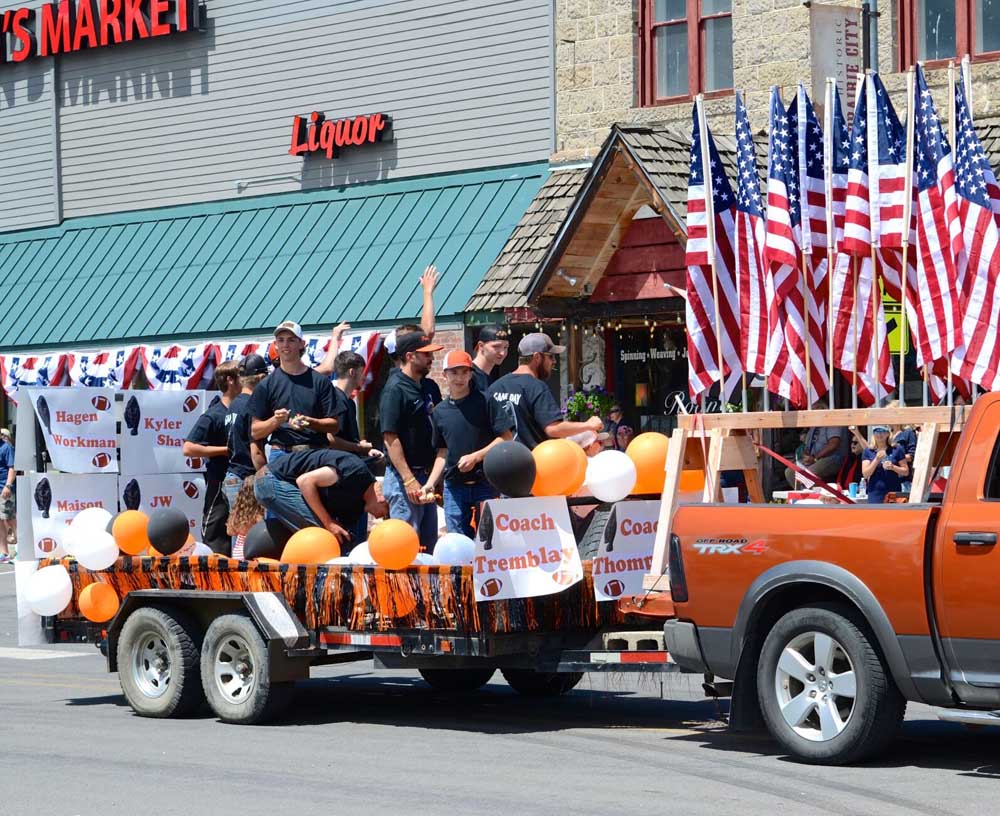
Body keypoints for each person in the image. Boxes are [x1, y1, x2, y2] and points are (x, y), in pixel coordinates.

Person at [423, 350, 514, 537]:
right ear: (445, 375)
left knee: (490, 539)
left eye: (465, 372)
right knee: (457, 540)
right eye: (454, 372)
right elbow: (442, 452)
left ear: (471, 374)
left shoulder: (485, 401)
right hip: (454, 485)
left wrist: (476, 457)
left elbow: (506, 437)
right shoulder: (439, 411)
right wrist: (430, 483)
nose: (459, 378)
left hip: (485, 482)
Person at [379, 330, 444, 552]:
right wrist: (408, 480)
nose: (431, 358)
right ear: (410, 356)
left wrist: (435, 477)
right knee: (405, 547)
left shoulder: (429, 386)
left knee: (428, 545)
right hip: (404, 478)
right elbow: (390, 437)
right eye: (426, 354)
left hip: (427, 476)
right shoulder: (395, 389)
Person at [487, 333, 603, 449]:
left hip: (499, 458)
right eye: (551, 356)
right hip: (530, 457)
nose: (554, 362)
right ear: (537, 357)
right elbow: (553, 429)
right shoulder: (536, 387)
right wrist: (588, 425)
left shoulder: (495, 387)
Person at [254, 449, 389, 548]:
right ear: (382, 498)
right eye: (385, 514)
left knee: (340, 539)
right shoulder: (355, 471)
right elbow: (305, 481)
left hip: (283, 485)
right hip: (271, 479)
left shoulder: (357, 506)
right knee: (326, 536)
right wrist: (328, 523)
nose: (380, 517)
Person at [249, 320, 338, 462]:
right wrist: (276, 420)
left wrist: (310, 421)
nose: (285, 345)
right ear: (275, 345)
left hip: (315, 453)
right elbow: (255, 431)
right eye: (281, 340)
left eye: (291, 340)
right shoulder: (266, 385)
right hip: (281, 454)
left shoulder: (320, 381)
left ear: (302, 344)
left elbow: (334, 426)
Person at [183, 361, 242, 554]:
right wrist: (225, 450)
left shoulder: (244, 410)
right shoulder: (213, 415)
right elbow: (189, 448)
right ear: (230, 380)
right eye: (241, 376)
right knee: (215, 533)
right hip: (219, 481)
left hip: (243, 479)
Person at [330, 349, 384, 543]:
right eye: (362, 372)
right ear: (352, 372)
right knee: (349, 534)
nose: (364, 377)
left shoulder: (349, 403)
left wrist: (366, 449)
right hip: (340, 478)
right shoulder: (334, 399)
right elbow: (331, 440)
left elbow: (348, 438)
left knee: (358, 530)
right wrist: (360, 448)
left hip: (352, 474)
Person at [220, 353, 268, 534]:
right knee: (250, 536)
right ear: (262, 378)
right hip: (246, 478)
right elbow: (256, 451)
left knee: (239, 535)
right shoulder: (253, 405)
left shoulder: (234, 404)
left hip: (232, 475)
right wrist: (268, 476)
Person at [784, 425, 848, 489]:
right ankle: (802, 493)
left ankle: (816, 494)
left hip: (832, 458)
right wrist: (805, 455)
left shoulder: (832, 422)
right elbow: (806, 446)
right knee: (790, 472)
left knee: (809, 473)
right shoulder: (814, 425)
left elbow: (834, 444)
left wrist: (815, 458)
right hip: (813, 459)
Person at [861, 425, 909, 503]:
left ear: (888, 434)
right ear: (873, 434)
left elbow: (906, 471)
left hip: (893, 492)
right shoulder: (868, 451)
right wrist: (876, 460)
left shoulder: (897, 449)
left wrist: (893, 467)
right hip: (875, 493)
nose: (879, 434)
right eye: (877, 432)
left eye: (882, 431)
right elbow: (865, 474)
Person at [470, 324, 510, 392]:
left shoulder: (491, 377)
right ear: (481, 346)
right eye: (496, 346)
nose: (502, 353)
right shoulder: (468, 375)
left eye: (505, 347)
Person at [0, 428, 15, 562]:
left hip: (4, 489)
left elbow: (12, 467)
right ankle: (4, 553)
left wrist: (8, 485)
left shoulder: (6, 447)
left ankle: (20, 550)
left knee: (10, 519)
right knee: (0, 521)